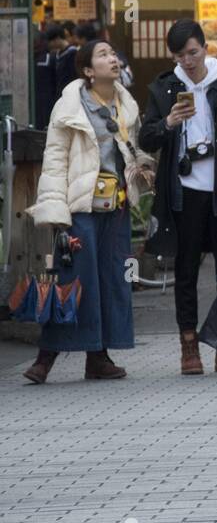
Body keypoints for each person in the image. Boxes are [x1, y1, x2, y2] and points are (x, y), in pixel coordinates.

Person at [24, 40, 155, 385]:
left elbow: (133, 151)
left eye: (113, 54)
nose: (112, 59)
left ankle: (98, 357)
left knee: (113, 280)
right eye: (103, 55)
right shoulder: (68, 107)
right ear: (87, 70)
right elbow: (54, 161)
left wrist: (143, 169)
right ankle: (46, 356)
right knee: (73, 279)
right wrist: (55, 210)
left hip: (117, 206)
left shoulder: (126, 105)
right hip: (81, 206)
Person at [139, 19, 217, 376]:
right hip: (185, 193)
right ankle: (189, 346)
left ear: (205, 48)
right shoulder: (165, 89)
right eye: (180, 55)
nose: (188, 60)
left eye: (193, 52)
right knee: (186, 271)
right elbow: (146, 139)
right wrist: (169, 123)